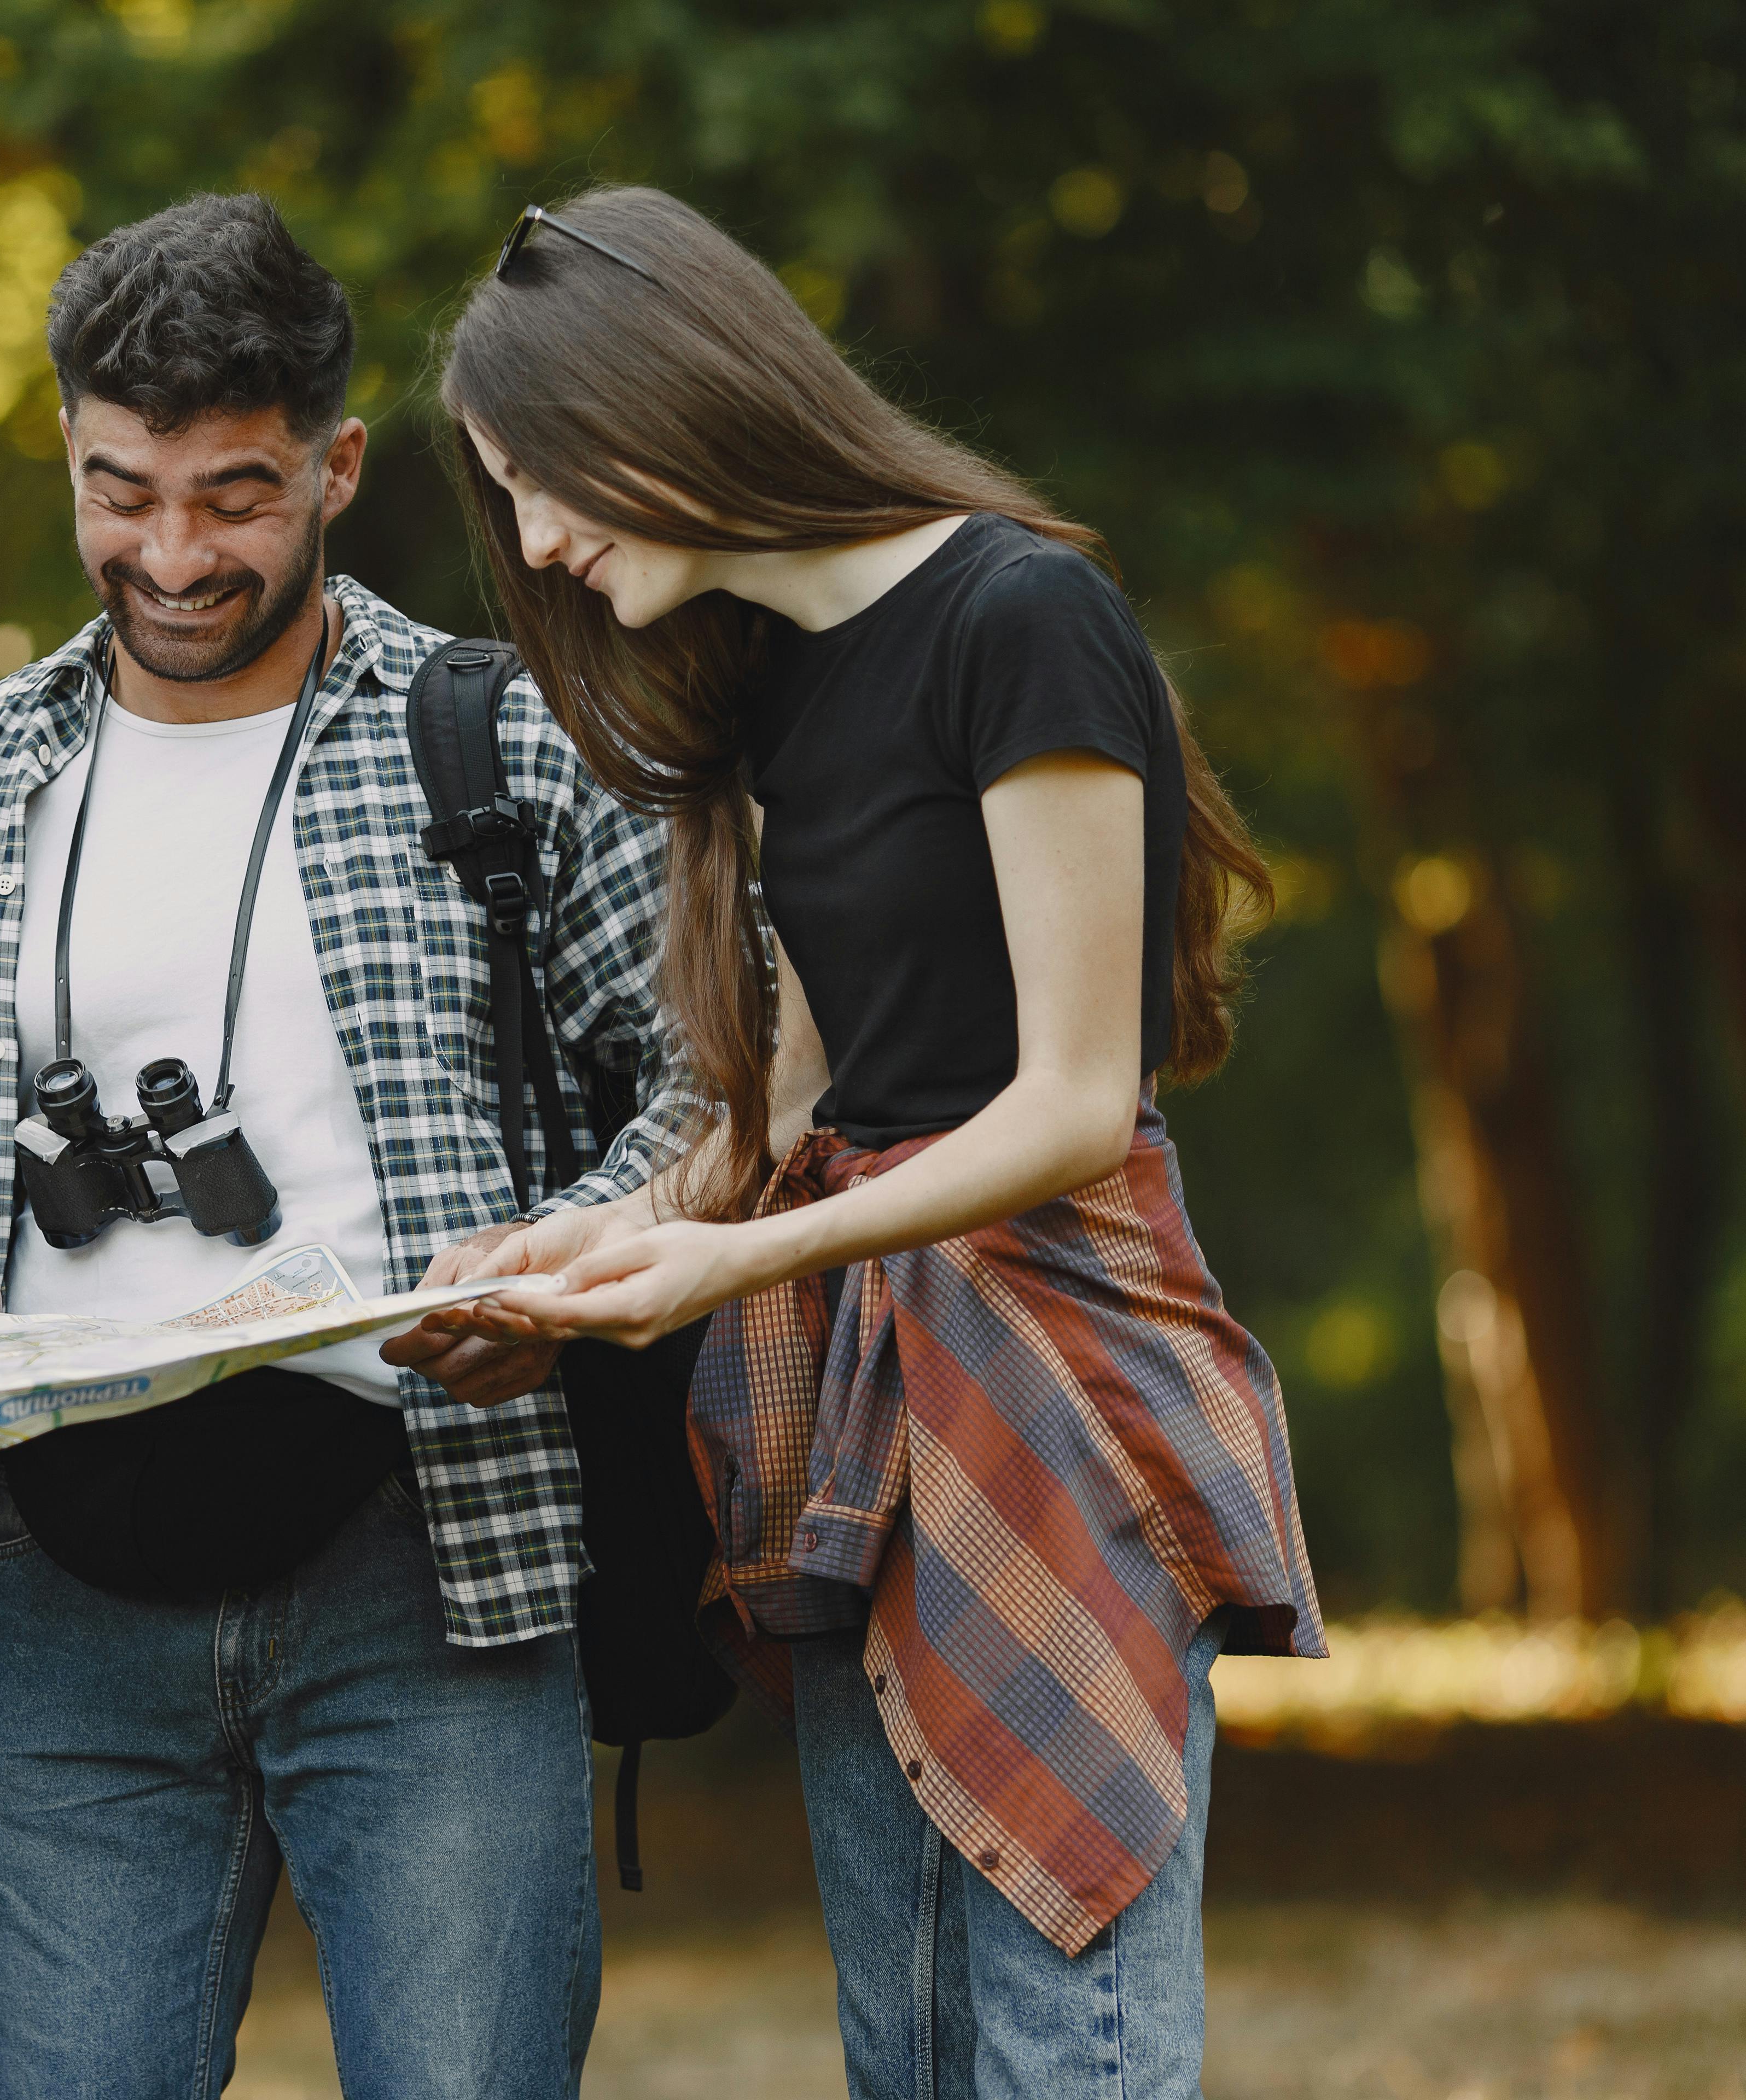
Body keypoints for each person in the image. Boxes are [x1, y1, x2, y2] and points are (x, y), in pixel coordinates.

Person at [421, 186, 1325, 2098]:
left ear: (660, 399)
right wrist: (578, 1242)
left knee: (1059, 2023)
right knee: (900, 2041)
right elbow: (804, 1103)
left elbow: (1075, 1105)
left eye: (548, 481)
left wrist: (730, 1263)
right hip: (851, 1389)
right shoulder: (779, 687)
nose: (544, 544)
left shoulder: (1023, 616)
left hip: (1057, 1373)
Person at [0, 193, 684, 2098]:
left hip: (430, 1559)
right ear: (66, 449)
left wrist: (567, 1260)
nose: (173, 551)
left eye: (235, 495)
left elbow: (716, 1084)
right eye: (122, 491)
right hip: (56, 1589)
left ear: (340, 466)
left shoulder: (514, 742)